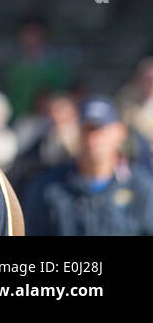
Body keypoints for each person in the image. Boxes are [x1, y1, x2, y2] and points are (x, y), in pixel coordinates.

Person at [22, 97, 153, 236]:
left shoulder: (141, 187)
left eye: (100, 130)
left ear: (120, 132)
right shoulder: (49, 188)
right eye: (87, 130)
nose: (93, 139)